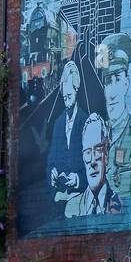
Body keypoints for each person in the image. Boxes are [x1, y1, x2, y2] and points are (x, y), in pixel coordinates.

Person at [100, 33, 131, 198]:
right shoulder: (96, 137)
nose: (112, 92)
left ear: (126, 83)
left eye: (118, 79)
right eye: (107, 81)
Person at [65, 113, 122, 217]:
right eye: (87, 152)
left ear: (107, 153)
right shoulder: (71, 208)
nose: (92, 162)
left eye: (98, 150)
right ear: (83, 157)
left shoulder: (119, 204)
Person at [47, 61, 86, 203]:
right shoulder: (58, 124)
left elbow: (95, 163)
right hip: (61, 195)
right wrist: (52, 173)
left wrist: (77, 179)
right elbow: (51, 161)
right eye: (64, 98)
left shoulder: (85, 121)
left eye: (69, 97)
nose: (67, 102)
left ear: (76, 90)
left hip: (81, 194)